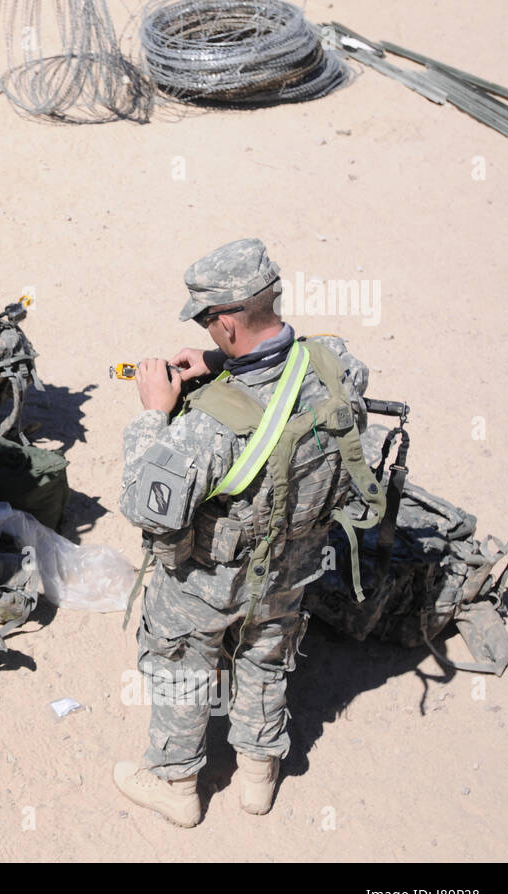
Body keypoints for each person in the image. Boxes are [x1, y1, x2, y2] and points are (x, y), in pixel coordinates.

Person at [114, 238, 381, 827]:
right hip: (295, 561)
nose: (208, 331)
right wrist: (223, 366)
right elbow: (297, 368)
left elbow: (147, 504)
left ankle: (176, 784)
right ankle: (259, 774)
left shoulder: (206, 431)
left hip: (208, 580)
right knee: (266, 652)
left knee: (182, 663)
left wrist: (154, 412)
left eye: (210, 323)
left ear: (229, 321)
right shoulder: (337, 365)